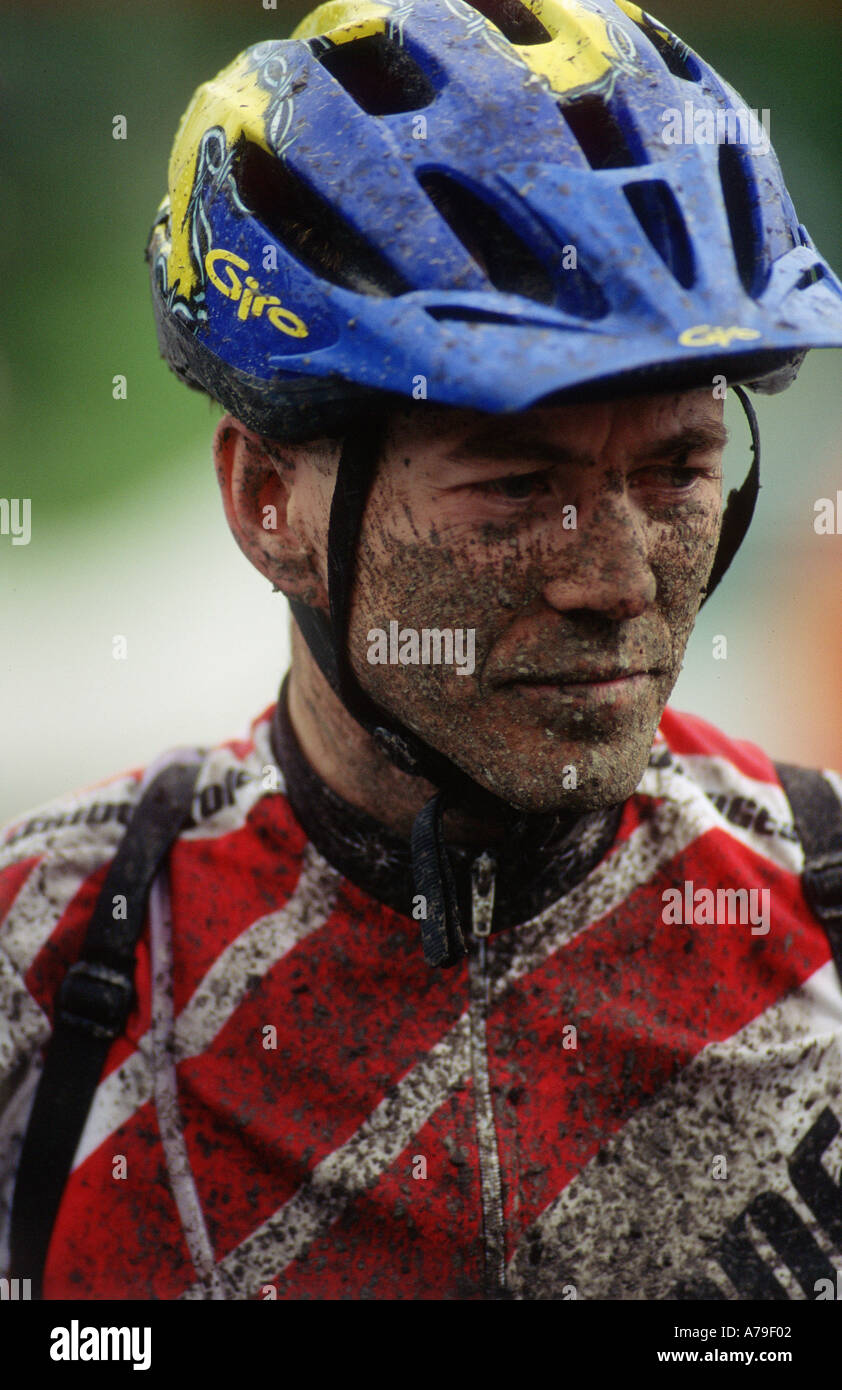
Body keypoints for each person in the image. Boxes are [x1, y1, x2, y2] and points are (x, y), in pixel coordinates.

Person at [2, 0, 842, 1302]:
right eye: (512, 484)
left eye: (677, 467)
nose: (616, 580)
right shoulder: (46, 963)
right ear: (265, 501)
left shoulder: (821, 915)